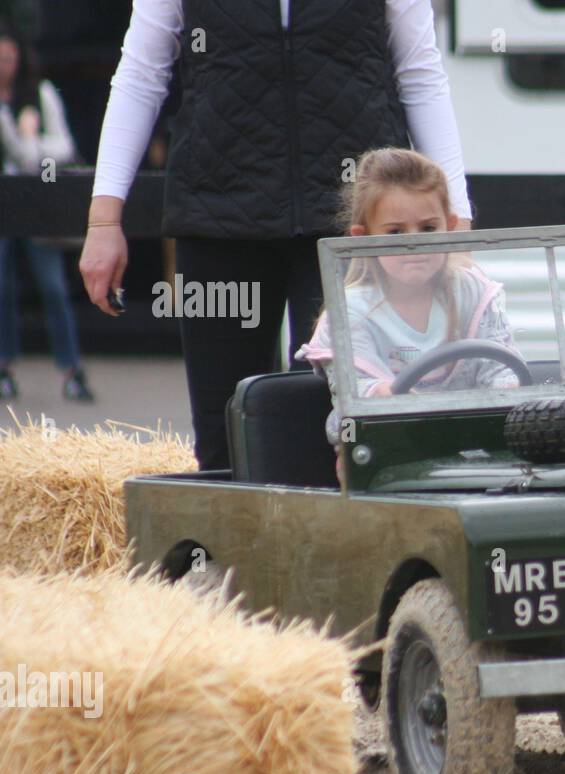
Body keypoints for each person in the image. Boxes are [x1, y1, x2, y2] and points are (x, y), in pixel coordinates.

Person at [79, 0, 474, 469]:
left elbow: (420, 72)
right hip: (217, 218)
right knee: (224, 431)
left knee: (338, 423)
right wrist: (104, 220)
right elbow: (141, 73)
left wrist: (458, 225)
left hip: (349, 227)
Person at [296, 149, 518, 474]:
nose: (414, 245)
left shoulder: (473, 291)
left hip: (481, 453)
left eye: (428, 229)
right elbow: (359, 398)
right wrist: (390, 397)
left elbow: (502, 370)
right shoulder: (349, 315)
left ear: (450, 226)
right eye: (395, 233)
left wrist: (509, 393)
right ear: (363, 239)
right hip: (388, 461)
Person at [0, 23, 94, 402]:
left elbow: (63, 148)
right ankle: (4, 367)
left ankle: (73, 370)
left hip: (36, 203)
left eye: (8, 58)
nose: (4, 65)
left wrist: (28, 139)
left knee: (53, 288)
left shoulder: (39, 94)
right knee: (2, 289)